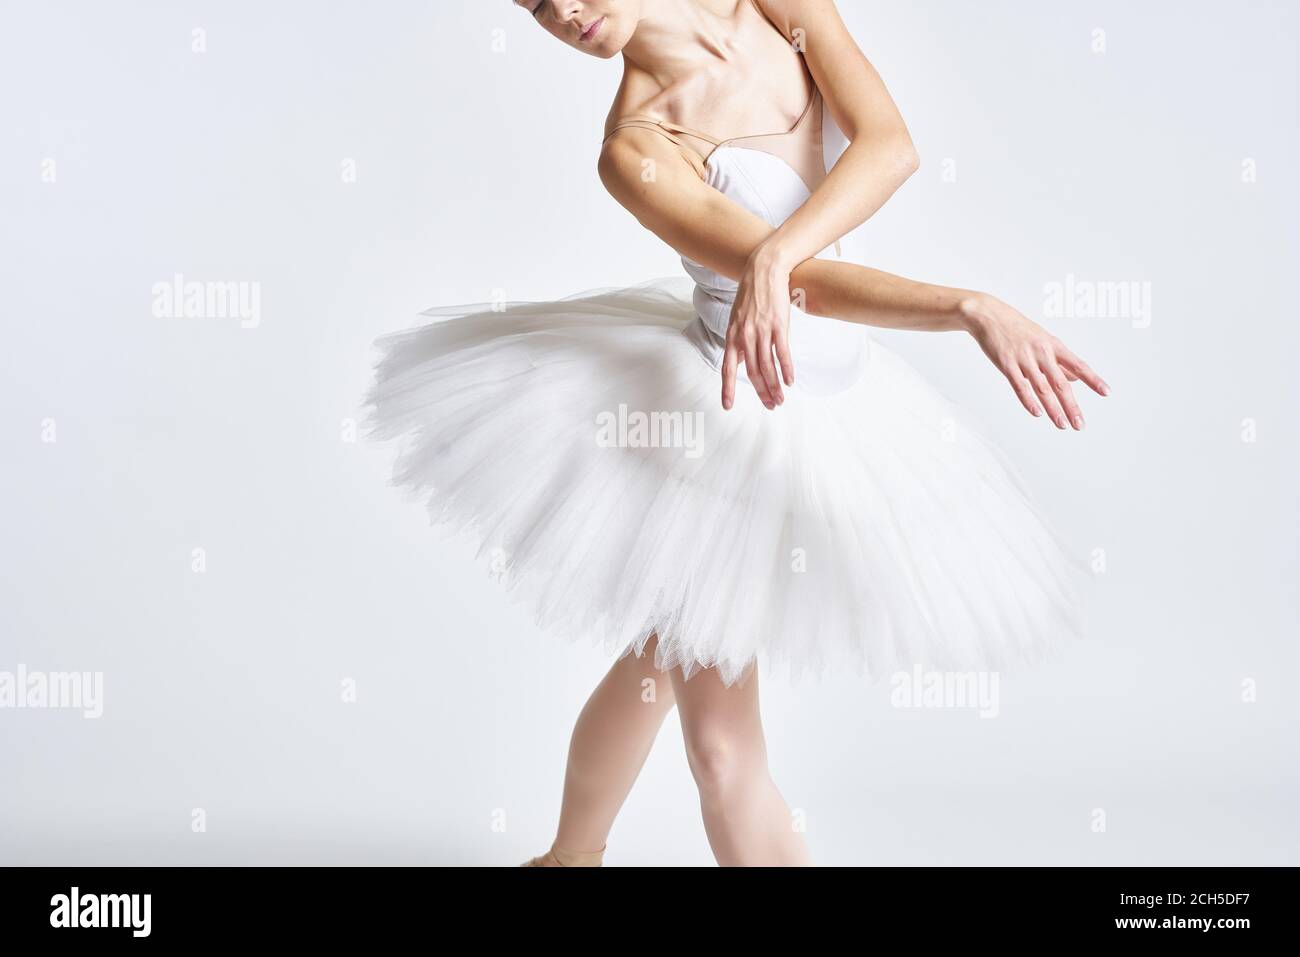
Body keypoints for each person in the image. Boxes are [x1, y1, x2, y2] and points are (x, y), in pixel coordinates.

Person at [363, 0, 1109, 867]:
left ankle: (566, 861)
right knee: (722, 747)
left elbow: (888, 145)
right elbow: (808, 289)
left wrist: (771, 253)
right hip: (727, 415)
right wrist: (966, 307)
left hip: (839, 398)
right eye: (533, 4)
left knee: (661, 643)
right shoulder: (638, 146)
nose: (564, 12)